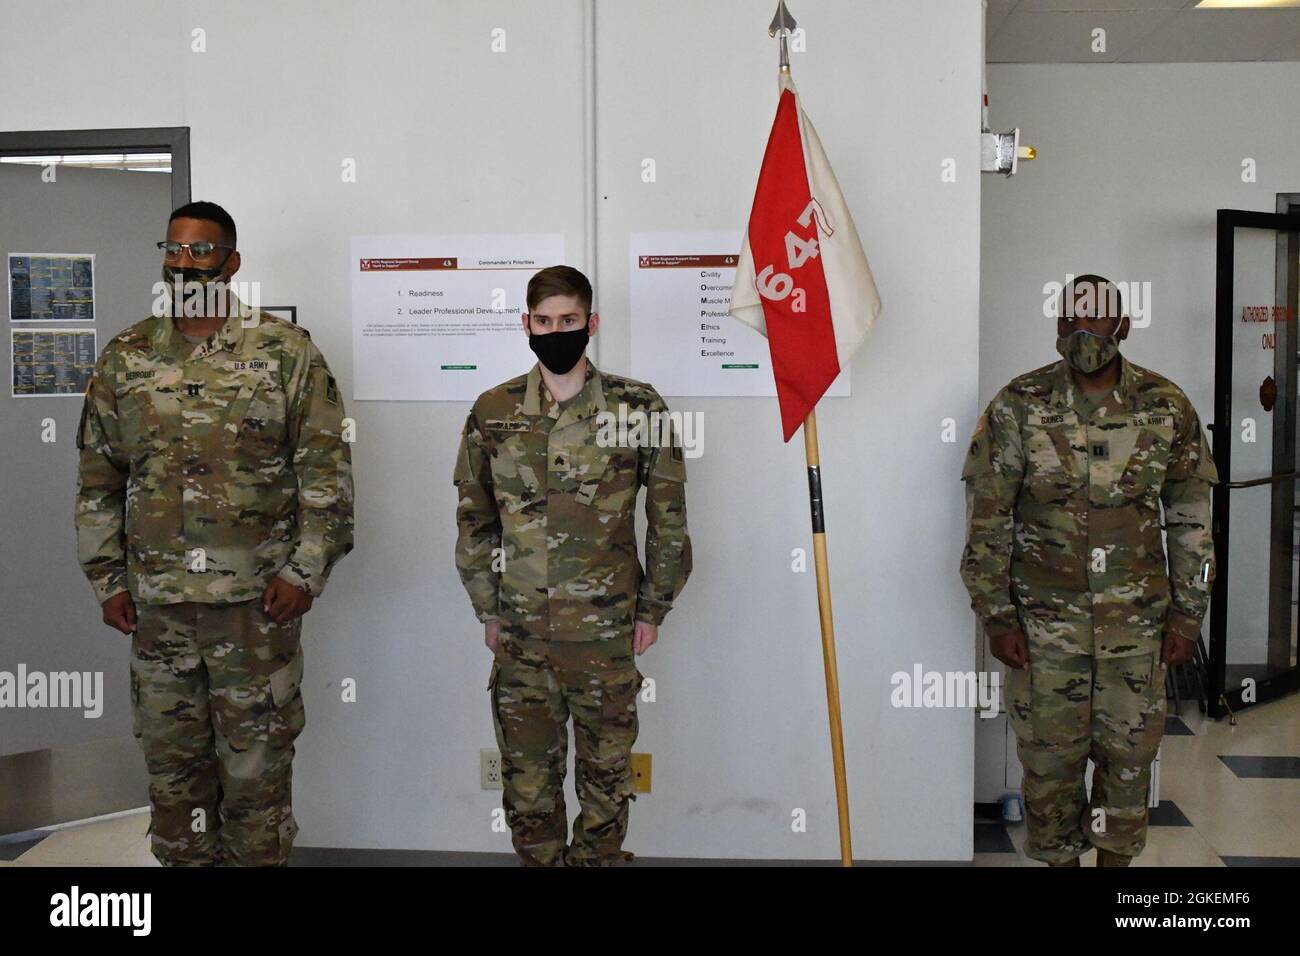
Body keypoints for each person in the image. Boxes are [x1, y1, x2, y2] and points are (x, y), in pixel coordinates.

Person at [75, 200, 354, 866]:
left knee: (256, 781)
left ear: (231, 263)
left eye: (202, 251)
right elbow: (98, 480)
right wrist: (107, 579)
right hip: (160, 612)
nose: (185, 262)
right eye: (174, 249)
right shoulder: (127, 356)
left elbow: (327, 474)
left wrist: (304, 573)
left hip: (255, 614)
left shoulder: (285, 354)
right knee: (176, 783)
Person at [960, 274, 1216, 867]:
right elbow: (988, 518)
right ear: (1055, 327)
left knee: (1128, 765)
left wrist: (1187, 615)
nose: (1083, 331)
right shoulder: (1019, 406)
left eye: (1097, 319)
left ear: (1123, 326)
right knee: (1049, 768)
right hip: (1043, 631)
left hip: (1138, 629)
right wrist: (996, 617)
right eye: (1070, 318)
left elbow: (1190, 520)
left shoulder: (1165, 404)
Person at [454, 265, 692, 865]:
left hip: (606, 635)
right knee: (528, 786)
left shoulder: (638, 407)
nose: (555, 331)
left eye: (568, 321)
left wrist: (655, 607)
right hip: (522, 635)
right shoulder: (494, 410)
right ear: (525, 325)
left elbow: (668, 518)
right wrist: (488, 608)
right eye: (543, 321)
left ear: (592, 324)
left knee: (608, 781)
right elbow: (474, 518)